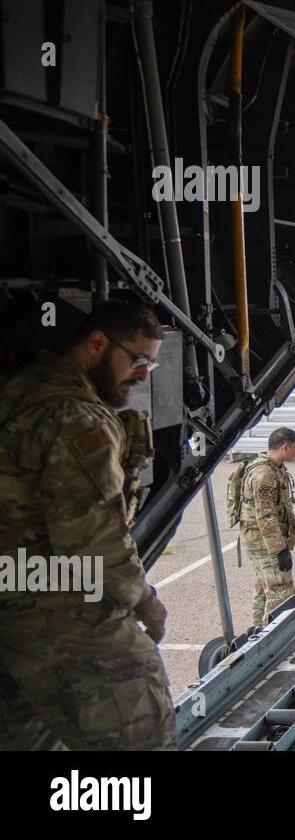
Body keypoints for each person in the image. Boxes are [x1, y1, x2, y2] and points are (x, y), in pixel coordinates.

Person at [0, 300, 174, 750]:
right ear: (97, 344)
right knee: (141, 728)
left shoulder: (18, 394)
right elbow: (93, 539)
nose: (142, 374)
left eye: (151, 366)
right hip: (61, 616)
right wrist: (143, 601)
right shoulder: (75, 417)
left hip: (15, 616)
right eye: (137, 360)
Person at [239, 427, 295, 627]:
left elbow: (280, 507)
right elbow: (265, 515)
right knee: (281, 593)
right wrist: (280, 550)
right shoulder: (264, 475)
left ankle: (257, 631)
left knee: (264, 588)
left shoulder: (274, 469)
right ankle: (274, 641)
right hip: (264, 544)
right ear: (284, 447)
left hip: (262, 541)